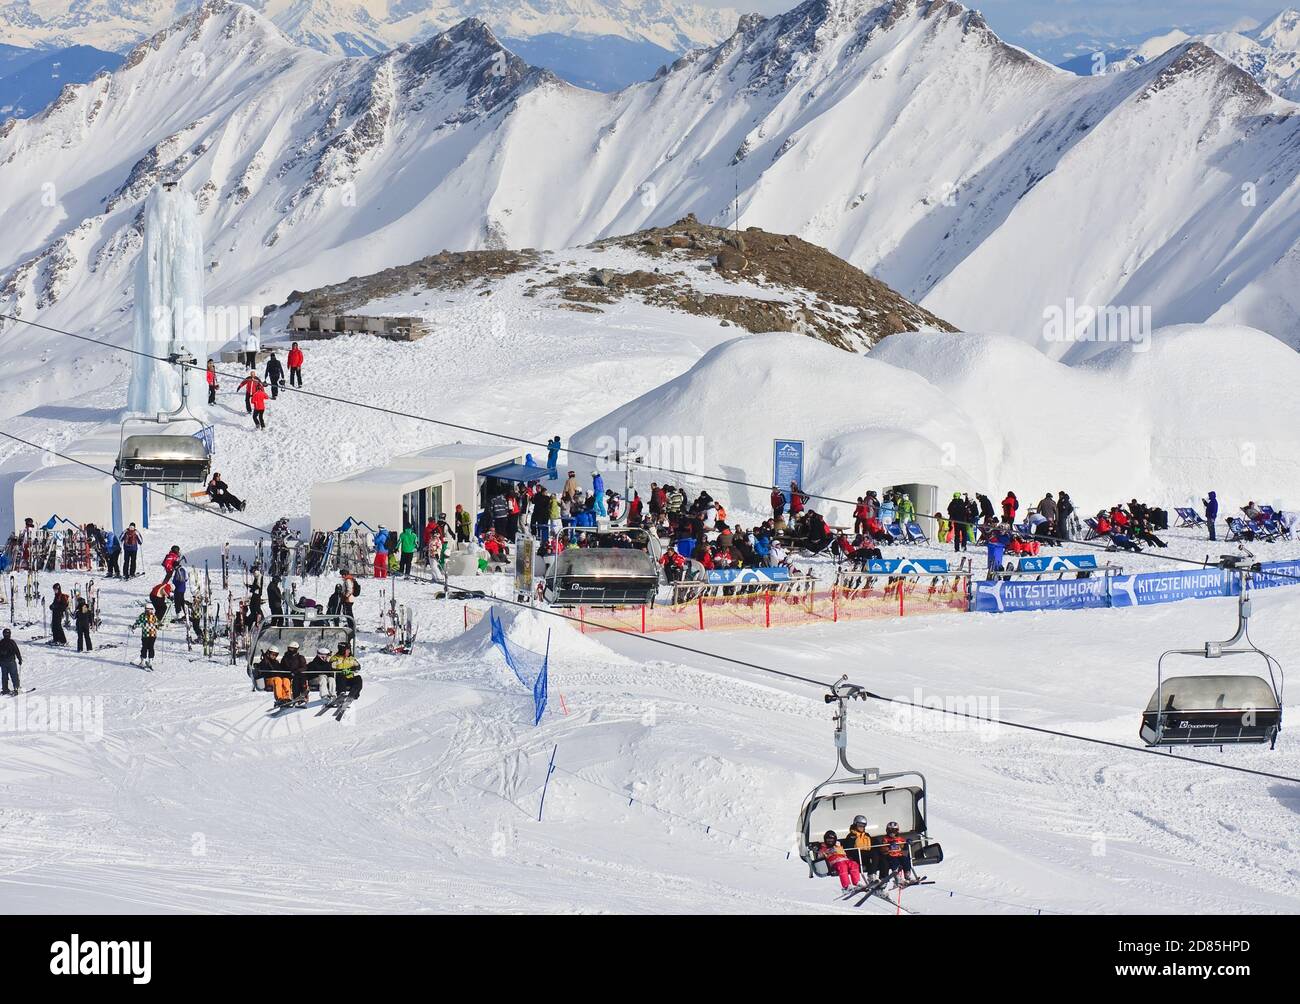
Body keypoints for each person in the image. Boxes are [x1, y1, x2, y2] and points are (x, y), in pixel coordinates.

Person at [843, 815, 879, 884]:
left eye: (863, 825)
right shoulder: (852, 835)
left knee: (877, 855)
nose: (861, 827)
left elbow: (874, 843)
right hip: (856, 855)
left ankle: (875, 879)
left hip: (865, 856)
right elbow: (848, 848)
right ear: (855, 825)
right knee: (874, 854)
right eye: (859, 825)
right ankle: (871, 875)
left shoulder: (866, 835)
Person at [0, 628, 22, 694]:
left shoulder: (1, 642)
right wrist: (19, 659)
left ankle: (5, 689)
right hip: (10, 662)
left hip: (3, 662)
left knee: (4, 676)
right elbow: (17, 651)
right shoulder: (11, 642)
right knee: (14, 675)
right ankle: (16, 688)